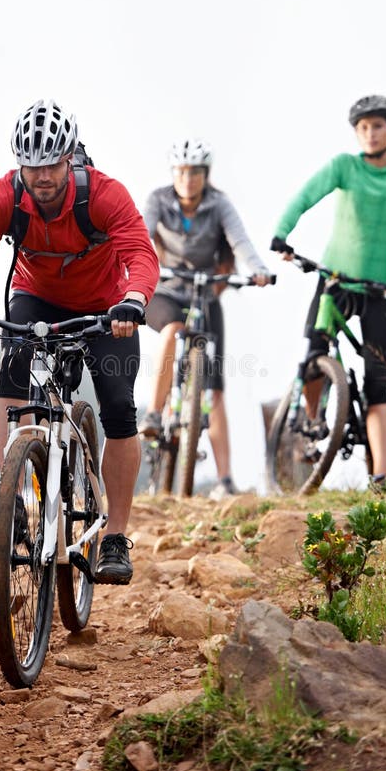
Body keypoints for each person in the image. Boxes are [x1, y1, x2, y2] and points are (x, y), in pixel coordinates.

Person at [0, 99, 160, 584]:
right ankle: (10, 497)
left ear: (69, 157)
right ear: (19, 164)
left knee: (119, 406)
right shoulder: (4, 197)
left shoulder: (104, 194)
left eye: (52, 164)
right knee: (12, 377)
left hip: (107, 309)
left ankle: (115, 537)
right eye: (31, 166)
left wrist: (134, 300)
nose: (42, 176)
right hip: (35, 298)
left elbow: (140, 252)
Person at [270, 94, 386, 489]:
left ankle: (381, 477)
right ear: (356, 133)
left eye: (377, 126)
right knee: (313, 356)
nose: (370, 133)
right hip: (336, 281)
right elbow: (304, 196)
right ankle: (313, 425)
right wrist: (281, 234)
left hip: (382, 290)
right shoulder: (344, 166)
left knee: (377, 382)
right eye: (363, 127)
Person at [140, 137, 273, 501]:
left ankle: (225, 480)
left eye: (195, 172)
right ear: (174, 173)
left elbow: (239, 240)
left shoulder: (219, 203)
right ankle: (154, 413)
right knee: (172, 329)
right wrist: (133, 266)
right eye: (182, 172)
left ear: (205, 174)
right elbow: (141, 234)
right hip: (167, 290)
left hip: (207, 292)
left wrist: (258, 269)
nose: (188, 179)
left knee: (214, 390)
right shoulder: (158, 200)